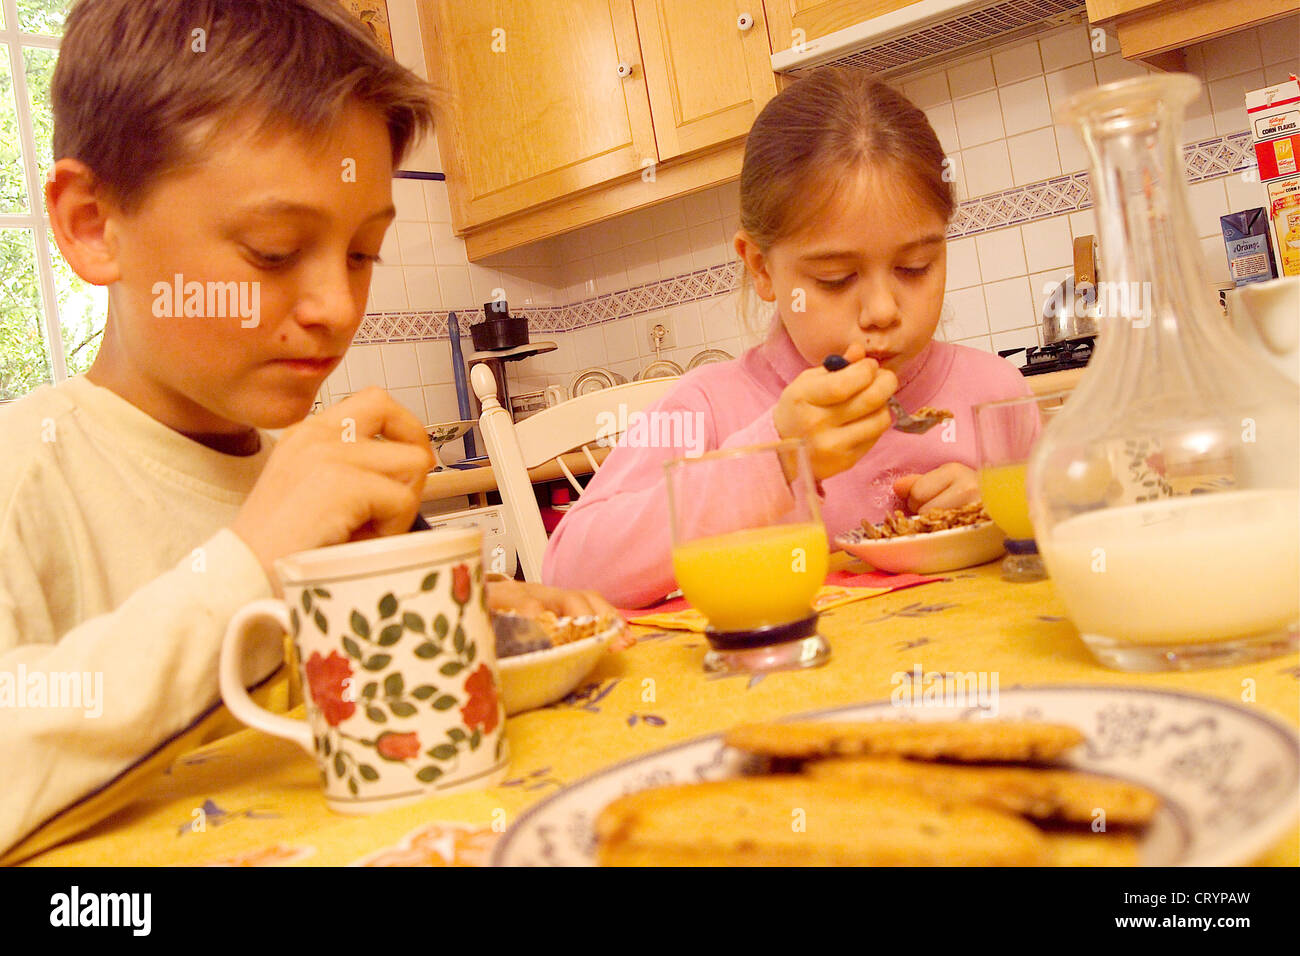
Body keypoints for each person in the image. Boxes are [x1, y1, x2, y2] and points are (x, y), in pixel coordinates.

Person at [0, 0, 615, 858]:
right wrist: (250, 564)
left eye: (363, 253)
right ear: (93, 225)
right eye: (275, 250)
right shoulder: (24, 476)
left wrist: (477, 623)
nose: (337, 308)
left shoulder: (312, 470)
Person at [544, 67, 1032, 608]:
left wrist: (1001, 508)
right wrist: (771, 458)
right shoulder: (709, 407)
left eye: (916, 266)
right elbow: (569, 574)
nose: (882, 311)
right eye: (835, 279)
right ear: (762, 269)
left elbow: (1059, 543)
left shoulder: (994, 392)